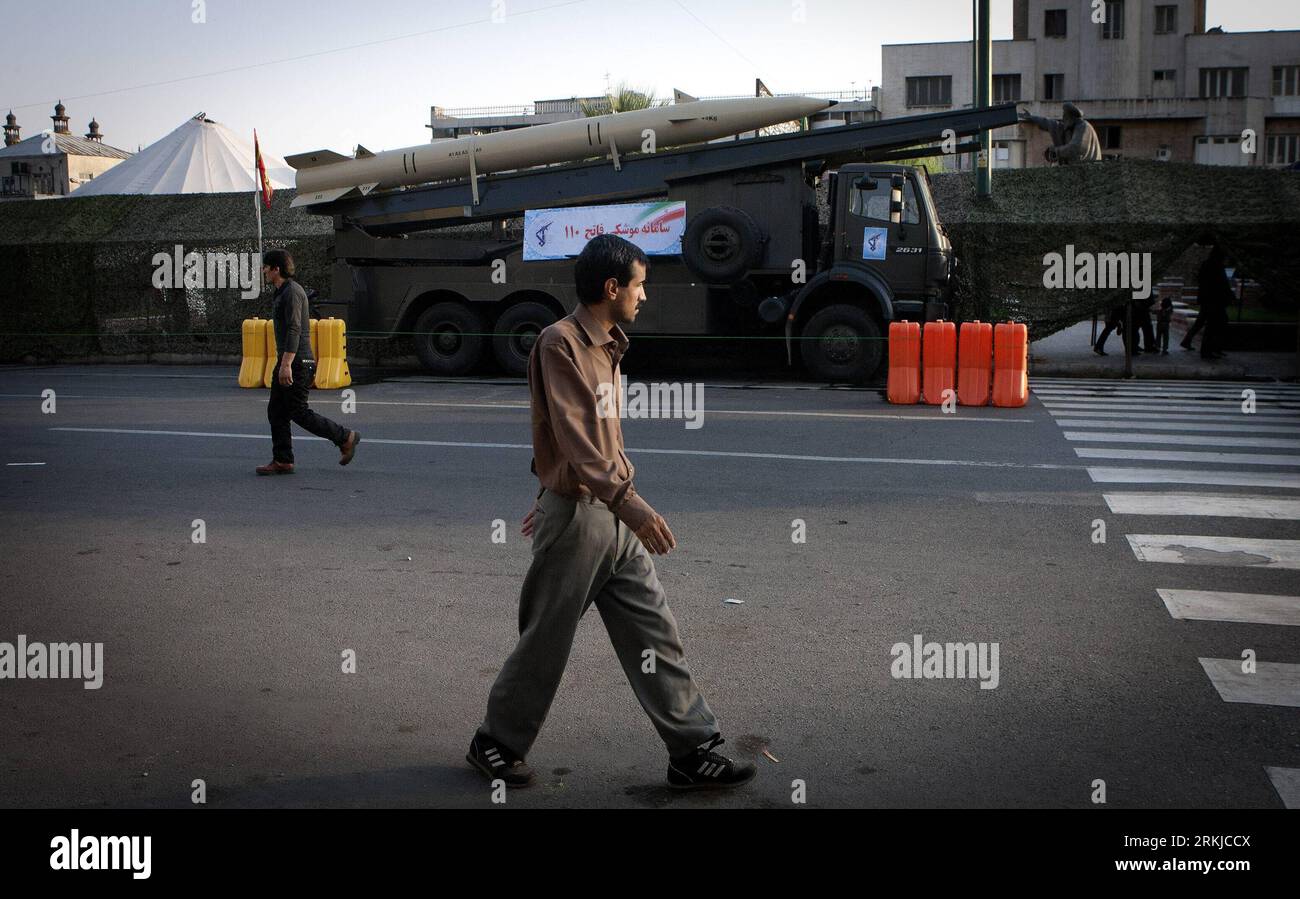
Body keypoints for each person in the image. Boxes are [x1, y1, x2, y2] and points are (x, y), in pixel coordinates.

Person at [468, 234, 755, 791]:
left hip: (610, 514)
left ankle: (692, 750)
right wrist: (616, 503)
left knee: (655, 630)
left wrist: (588, 495)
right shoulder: (561, 343)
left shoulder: (608, 346)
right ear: (611, 287)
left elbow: (582, 438)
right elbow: (575, 439)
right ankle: (495, 742)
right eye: (640, 285)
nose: (644, 296)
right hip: (581, 517)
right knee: (546, 640)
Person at [255, 249, 360, 475]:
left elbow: (294, 328)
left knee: (298, 411)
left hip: (296, 362)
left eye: (266, 267)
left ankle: (345, 437)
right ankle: (283, 460)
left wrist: (285, 365)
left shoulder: (292, 292)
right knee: (276, 411)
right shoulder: (282, 292)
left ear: (276, 269)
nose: (263, 271)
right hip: (289, 359)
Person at [1019, 102, 1102, 165]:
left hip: (1090, 168)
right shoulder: (1069, 128)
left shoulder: (1083, 126)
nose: (1063, 119)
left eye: (1065, 116)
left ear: (1070, 117)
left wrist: (1057, 151)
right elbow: (1049, 123)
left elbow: (1075, 147)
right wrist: (1032, 117)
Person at [1195, 245, 1232, 360]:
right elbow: (1221, 283)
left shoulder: (1208, 264)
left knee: (1211, 324)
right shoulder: (1215, 266)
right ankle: (1209, 350)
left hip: (1210, 300)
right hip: (1213, 300)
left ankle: (1211, 349)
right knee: (1213, 325)